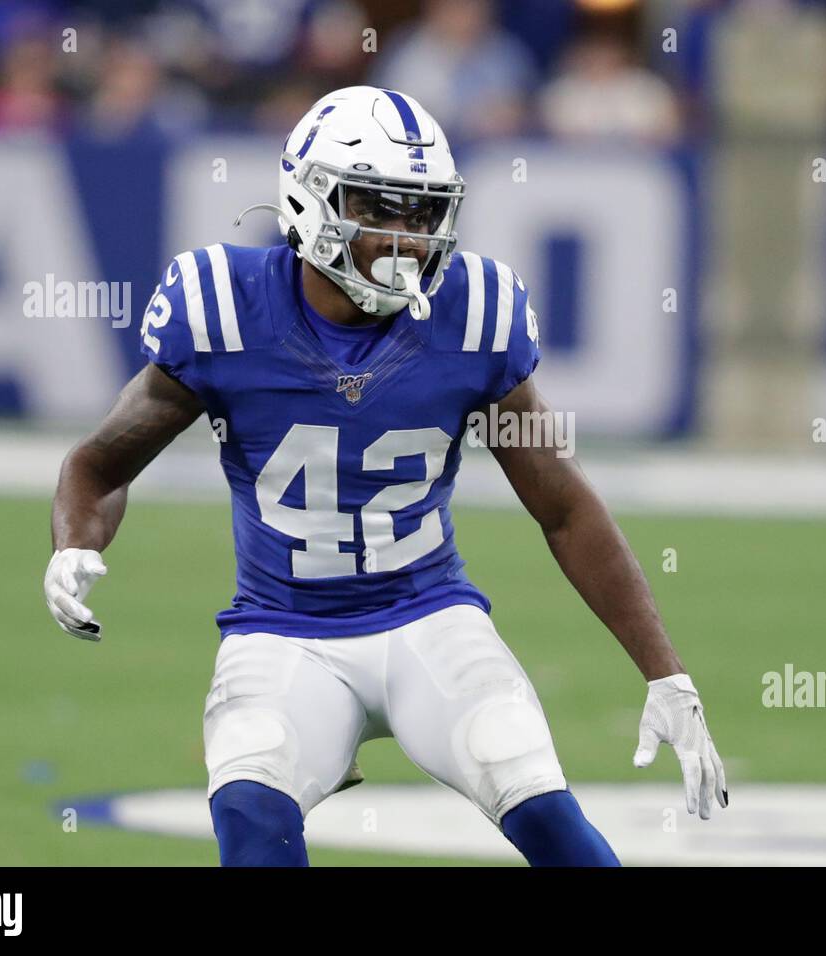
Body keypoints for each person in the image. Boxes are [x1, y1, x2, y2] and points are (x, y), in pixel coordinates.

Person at [44, 85, 726, 867]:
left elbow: (564, 507)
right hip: (282, 628)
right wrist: (73, 543)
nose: (405, 237)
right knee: (251, 819)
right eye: (381, 208)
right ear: (311, 201)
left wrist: (664, 673)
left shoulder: (473, 314)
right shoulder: (226, 307)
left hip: (430, 617)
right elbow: (98, 465)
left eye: (422, 213)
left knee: (548, 815)